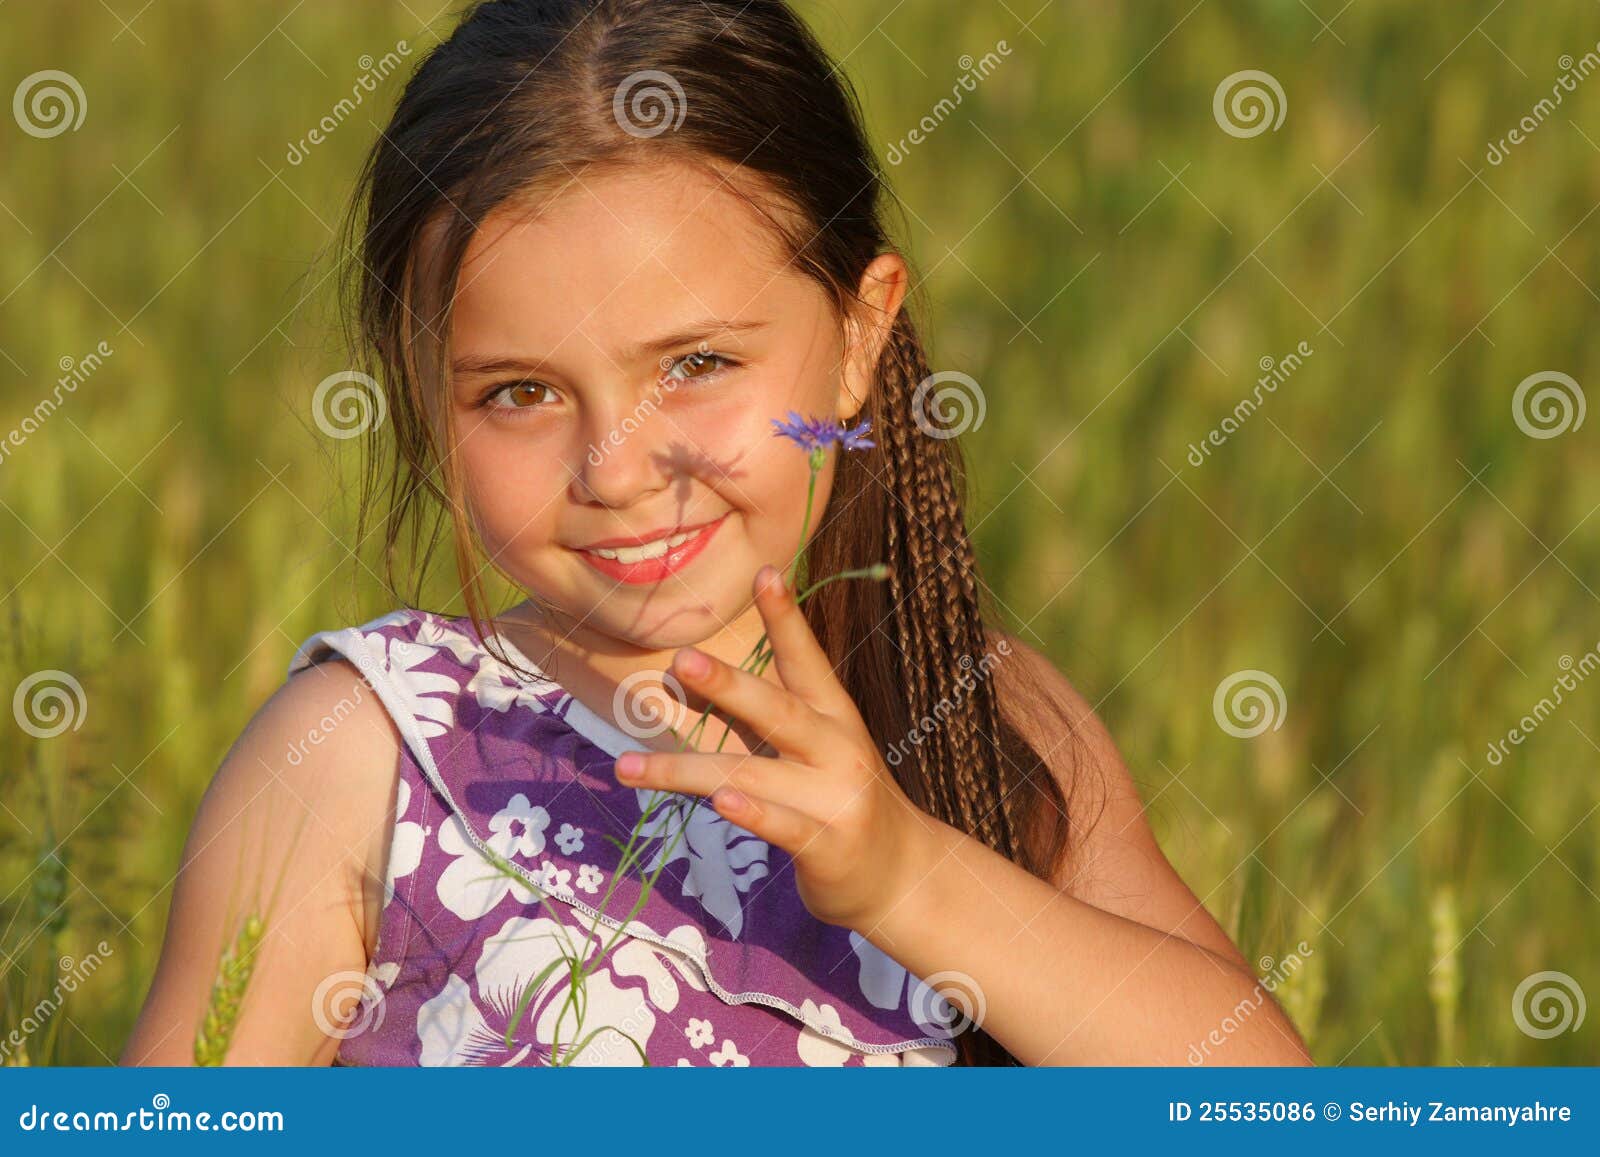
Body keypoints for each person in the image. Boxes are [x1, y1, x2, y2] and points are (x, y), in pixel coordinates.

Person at [122, 0, 1311, 1067]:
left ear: (858, 336)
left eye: (695, 365)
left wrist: (910, 876)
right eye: (517, 392)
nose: (619, 466)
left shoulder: (971, 713)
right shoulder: (362, 755)